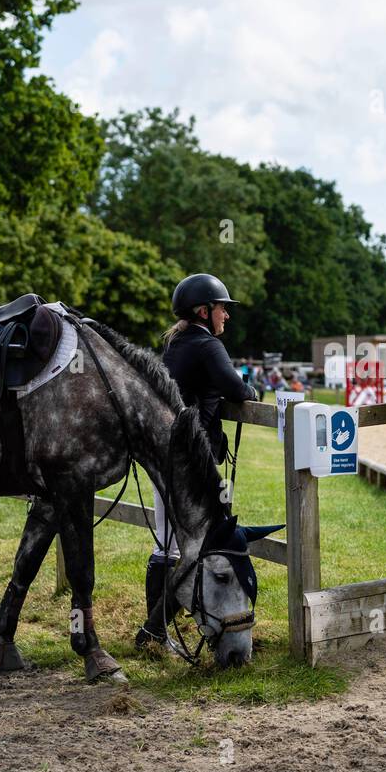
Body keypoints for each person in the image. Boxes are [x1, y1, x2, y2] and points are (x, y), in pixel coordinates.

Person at [136, 273, 257, 648]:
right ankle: (155, 630)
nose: (227, 316)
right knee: (186, 547)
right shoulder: (206, 345)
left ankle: (154, 630)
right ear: (204, 310)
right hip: (187, 461)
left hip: (166, 454)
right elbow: (237, 388)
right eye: (222, 309)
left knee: (166, 545)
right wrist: (252, 389)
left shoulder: (177, 342)